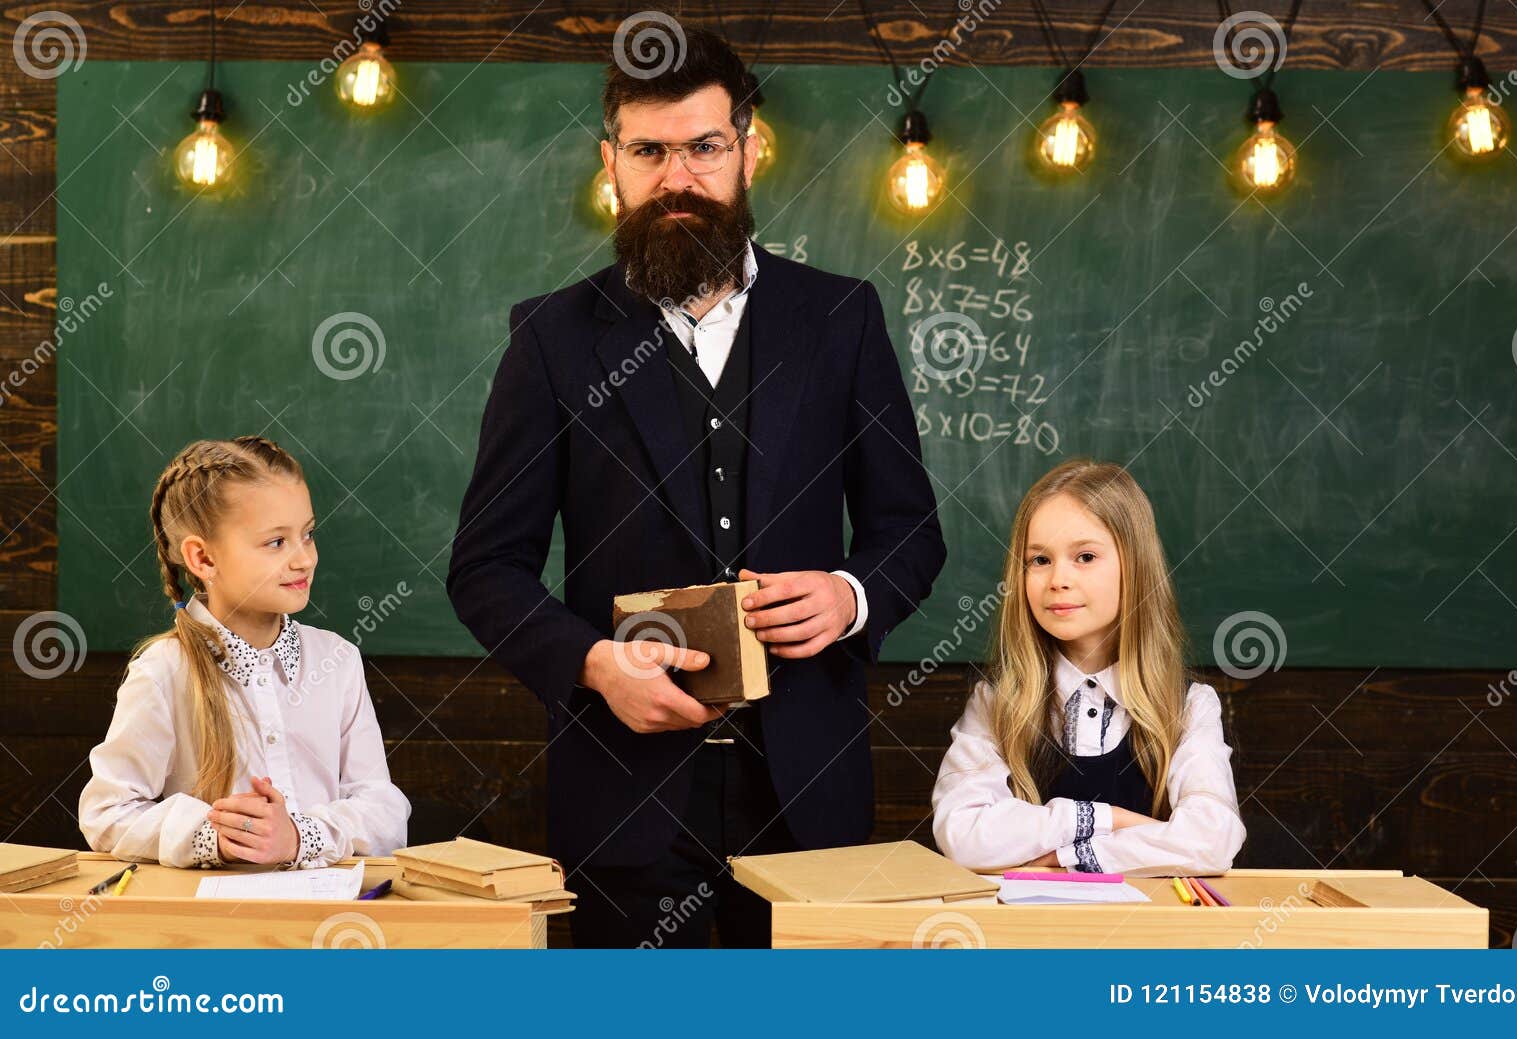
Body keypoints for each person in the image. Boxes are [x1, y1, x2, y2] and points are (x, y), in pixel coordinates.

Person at [448, 29, 945, 946]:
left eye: (705, 147)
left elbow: (910, 530)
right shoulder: (551, 339)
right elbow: (486, 569)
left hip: (811, 799)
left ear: (747, 151)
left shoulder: (841, 317)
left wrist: (849, 595)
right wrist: (596, 665)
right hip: (621, 800)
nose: (678, 177)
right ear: (613, 163)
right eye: (649, 152)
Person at [79, 436, 409, 868]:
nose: (304, 559)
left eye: (307, 535)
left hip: (330, 921)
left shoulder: (338, 662)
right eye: (276, 542)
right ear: (203, 559)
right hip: (213, 929)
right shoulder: (163, 673)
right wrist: (214, 835)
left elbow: (383, 809)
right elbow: (107, 812)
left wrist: (297, 836)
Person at [932, 458, 1245, 876]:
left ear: (1134, 567)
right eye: (1039, 560)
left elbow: (1213, 841)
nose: (1058, 578)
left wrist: (1064, 857)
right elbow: (962, 835)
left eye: (1084, 556)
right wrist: (1110, 821)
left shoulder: (1189, 706)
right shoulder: (996, 702)